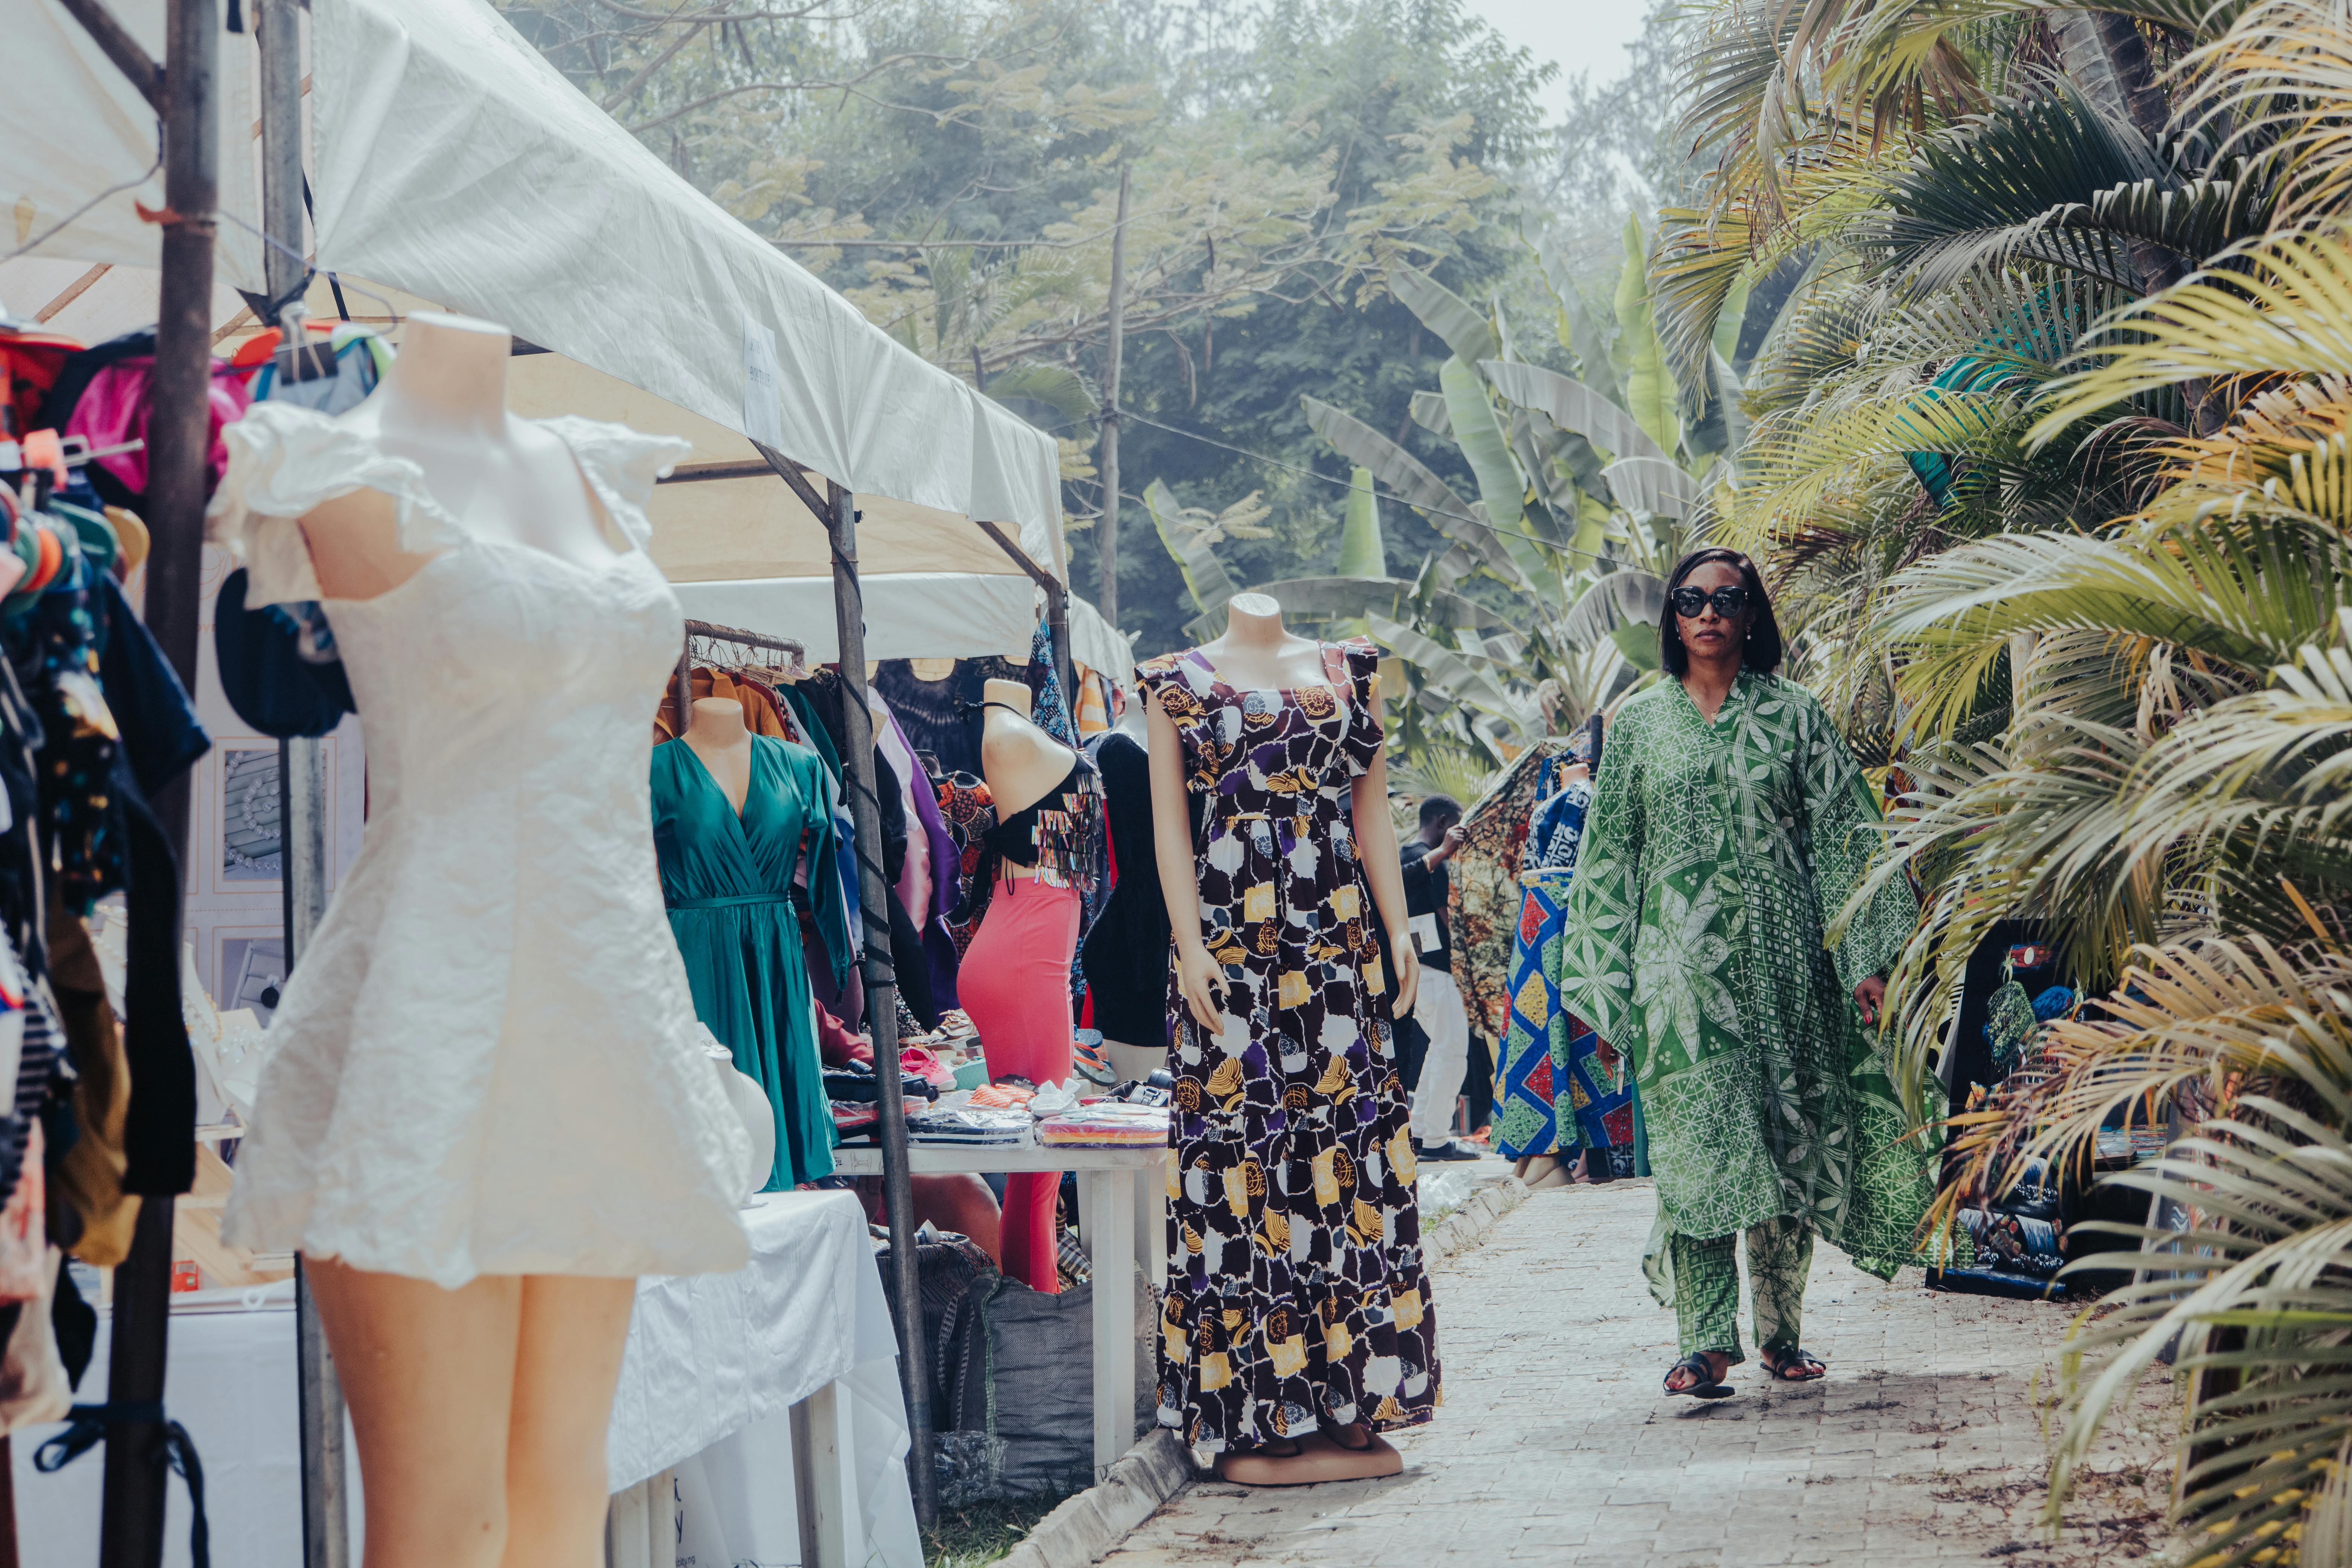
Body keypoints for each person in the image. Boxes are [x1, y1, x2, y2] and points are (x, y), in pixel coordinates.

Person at [1557, 547, 1937, 1400]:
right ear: (1671, 616)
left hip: (1786, 970)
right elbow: (1609, 859)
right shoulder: (1639, 724)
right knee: (1697, 1153)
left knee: (1782, 1147)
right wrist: (1603, 993)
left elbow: (1845, 835)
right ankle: (1704, 1343)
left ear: (1752, 614)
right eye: (1690, 599)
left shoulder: (1795, 715)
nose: (1708, 613)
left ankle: (1781, 1334)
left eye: (1726, 600)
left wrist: (1866, 961)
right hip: (1676, 982)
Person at [1399, 796, 1479, 1162]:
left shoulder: (1405, 853)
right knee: (1452, 1053)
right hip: (1439, 971)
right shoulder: (1431, 862)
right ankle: (1435, 1139)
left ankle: (1421, 1132)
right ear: (1444, 821)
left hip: (1417, 972)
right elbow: (1448, 918)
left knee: (1438, 1051)